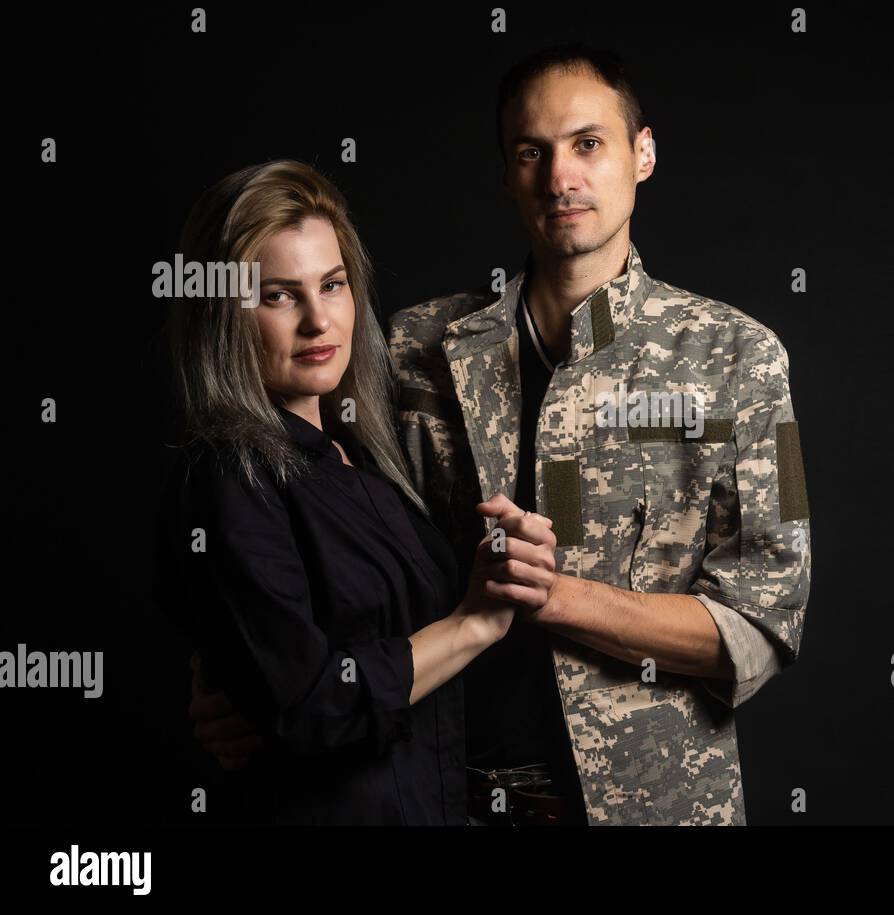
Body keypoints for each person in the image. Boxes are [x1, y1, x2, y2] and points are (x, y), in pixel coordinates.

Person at [193, 44, 814, 826]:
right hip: (441, 795)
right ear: (507, 172)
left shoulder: (742, 358)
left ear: (643, 153)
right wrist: (231, 666)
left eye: (589, 144)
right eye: (533, 153)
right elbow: (310, 524)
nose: (562, 177)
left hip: (656, 804)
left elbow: (764, 620)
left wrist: (553, 597)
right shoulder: (413, 346)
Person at [157, 160, 554, 825]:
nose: (318, 320)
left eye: (332, 285)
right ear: (222, 314)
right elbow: (313, 704)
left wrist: (499, 573)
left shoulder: (366, 455)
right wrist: (471, 623)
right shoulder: (231, 473)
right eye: (278, 294)